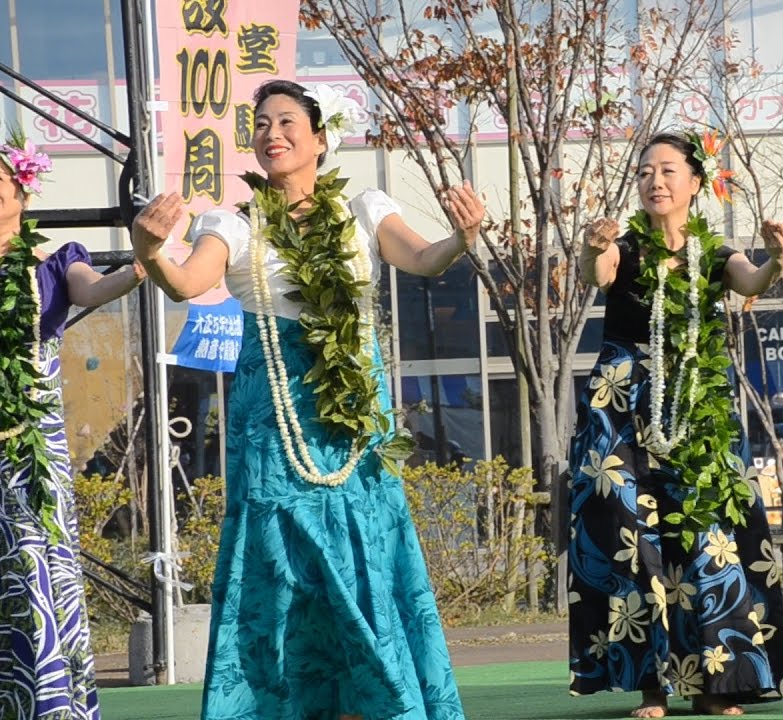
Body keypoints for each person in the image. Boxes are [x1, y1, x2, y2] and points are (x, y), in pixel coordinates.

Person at [131, 79, 479, 720]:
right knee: (282, 557)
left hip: (352, 414)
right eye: (261, 124)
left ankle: (368, 703)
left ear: (321, 138)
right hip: (273, 418)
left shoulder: (365, 210)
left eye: (287, 121)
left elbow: (427, 260)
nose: (272, 134)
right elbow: (183, 283)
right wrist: (150, 249)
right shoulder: (230, 226)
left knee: (359, 545)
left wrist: (462, 237)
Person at [570, 130, 783, 718]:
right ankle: (651, 686)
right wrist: (591, 246)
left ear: (696, 183)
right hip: (621, 406)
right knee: (631, 536)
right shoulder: (621, 246)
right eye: (645, 172)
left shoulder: (716, 254)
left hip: (698, 405)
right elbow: (595, 274)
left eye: (668, 171)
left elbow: (752, 280)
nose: (655, 181)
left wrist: (777, 256)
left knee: (708, 535)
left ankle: (716, 683)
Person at [0, 130, 146, 719]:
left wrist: (139, 267)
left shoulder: (57, 263)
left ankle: (48, 704)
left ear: (21, 188)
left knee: (32, 565)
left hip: (30, 455)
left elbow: (96, 287)